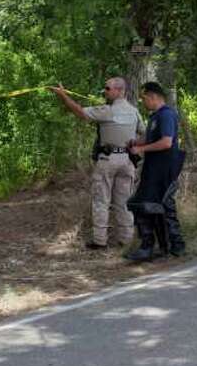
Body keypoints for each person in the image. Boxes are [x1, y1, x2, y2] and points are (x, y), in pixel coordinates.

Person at [50, 77, 144, 250]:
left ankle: (100, 241)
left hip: (108, 160)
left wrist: (63, 96)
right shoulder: (134, 111)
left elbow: (80, 112)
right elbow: (143, 133)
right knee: (124, 202)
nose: (105, 91)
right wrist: (133, 146)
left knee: (101, 200)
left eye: (107, 88)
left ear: (119, 90)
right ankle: (127, 240)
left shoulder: (107, 111)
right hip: (127, 161)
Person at [125, 82, 186, 262]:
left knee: (160, 206)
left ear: (153, 97)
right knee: (146, 205)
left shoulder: (167, 115)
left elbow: (167, 142)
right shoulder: (155, 116)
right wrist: (137, 142)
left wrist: (142, 150)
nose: (144, 102)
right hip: (153, 169)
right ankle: (161, 246)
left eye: (144, 98)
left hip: (165, 169)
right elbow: (151, 137)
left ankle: (166, 246)